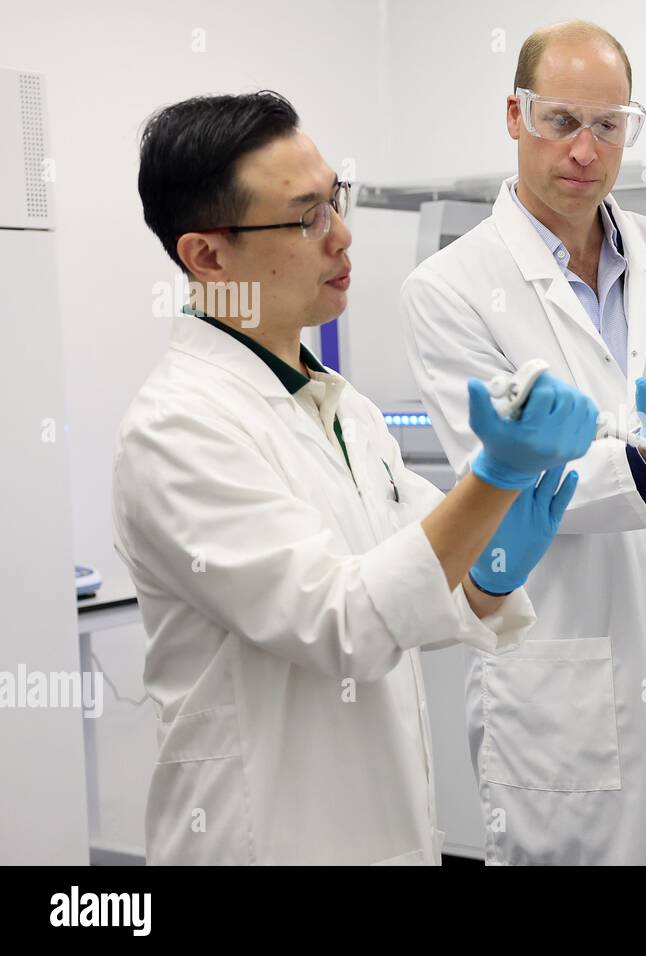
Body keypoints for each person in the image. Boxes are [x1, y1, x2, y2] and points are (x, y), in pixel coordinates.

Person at [115, 91, 598, 864]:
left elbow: (413, 589)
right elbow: (343, 624)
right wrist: (494, 478)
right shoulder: (179, 427)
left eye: (334, 201)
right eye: (305, 217)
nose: (341, 237)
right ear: (207, 256)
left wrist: (491, 569)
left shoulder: (344, 410)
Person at [400, 22, 646, 864]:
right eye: (561, 120)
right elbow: (506, 478)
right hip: (559, 670)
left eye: (608, 125)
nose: (585, 149)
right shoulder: (452, 290)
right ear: (515, 114)